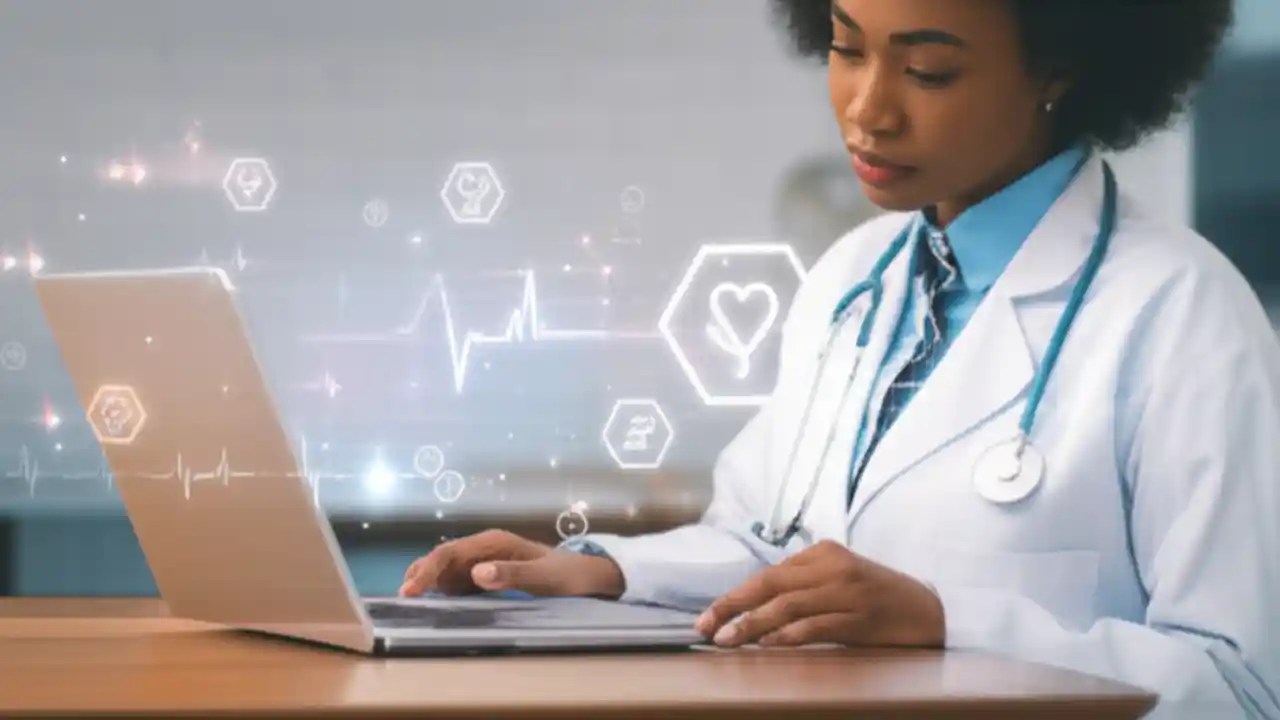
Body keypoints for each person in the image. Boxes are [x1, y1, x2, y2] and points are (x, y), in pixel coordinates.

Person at [401, 1, 1279, 716]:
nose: (867, 108)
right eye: (846, 48)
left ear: (1062, 67)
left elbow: (1244, 686)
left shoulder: (1183, 316)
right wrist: (602, 574)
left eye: (928, 70)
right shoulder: (852, 281)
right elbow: (771, 547)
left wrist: (946, 623)